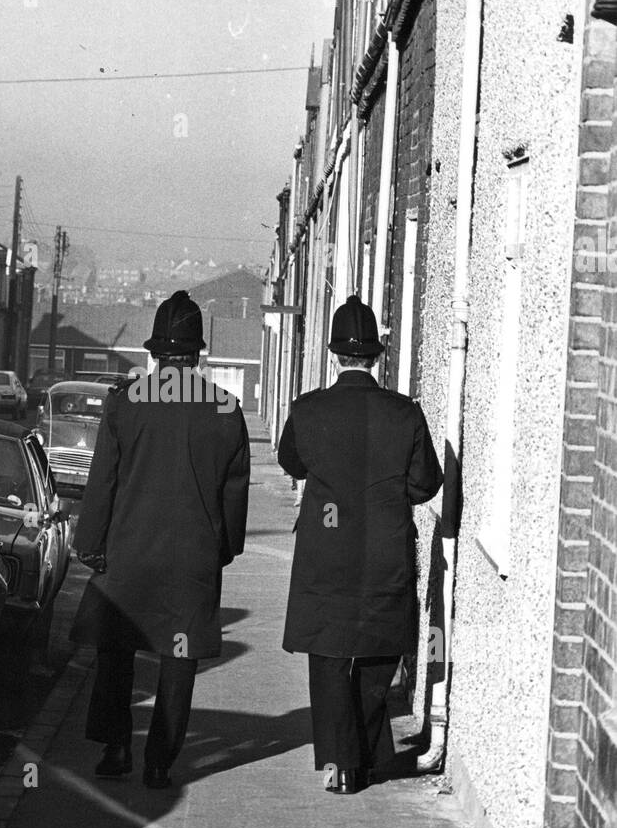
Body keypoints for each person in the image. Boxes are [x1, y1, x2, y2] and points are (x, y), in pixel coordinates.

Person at [70, 290, 250, 788]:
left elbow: (101, 481)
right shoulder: (225, 409)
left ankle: (116, 747)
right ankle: (159, 761)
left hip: (129, 551)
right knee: (179, 656)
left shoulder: (125, 404)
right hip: (192, 556)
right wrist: (225, 548)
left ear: (154, 352)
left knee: (116, 647)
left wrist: (91, 545)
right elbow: (234, 492)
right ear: (197, 354)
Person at [278, 294, 443, 796]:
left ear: (334, 355)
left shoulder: (308, 409)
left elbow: (291, 462)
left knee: (328, 657)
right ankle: (368, 758)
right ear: (376, 357)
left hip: (325, 551)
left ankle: (339, 763)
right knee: (377, 654)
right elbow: (426, 484)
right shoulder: (404, 414)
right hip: (383, 551)